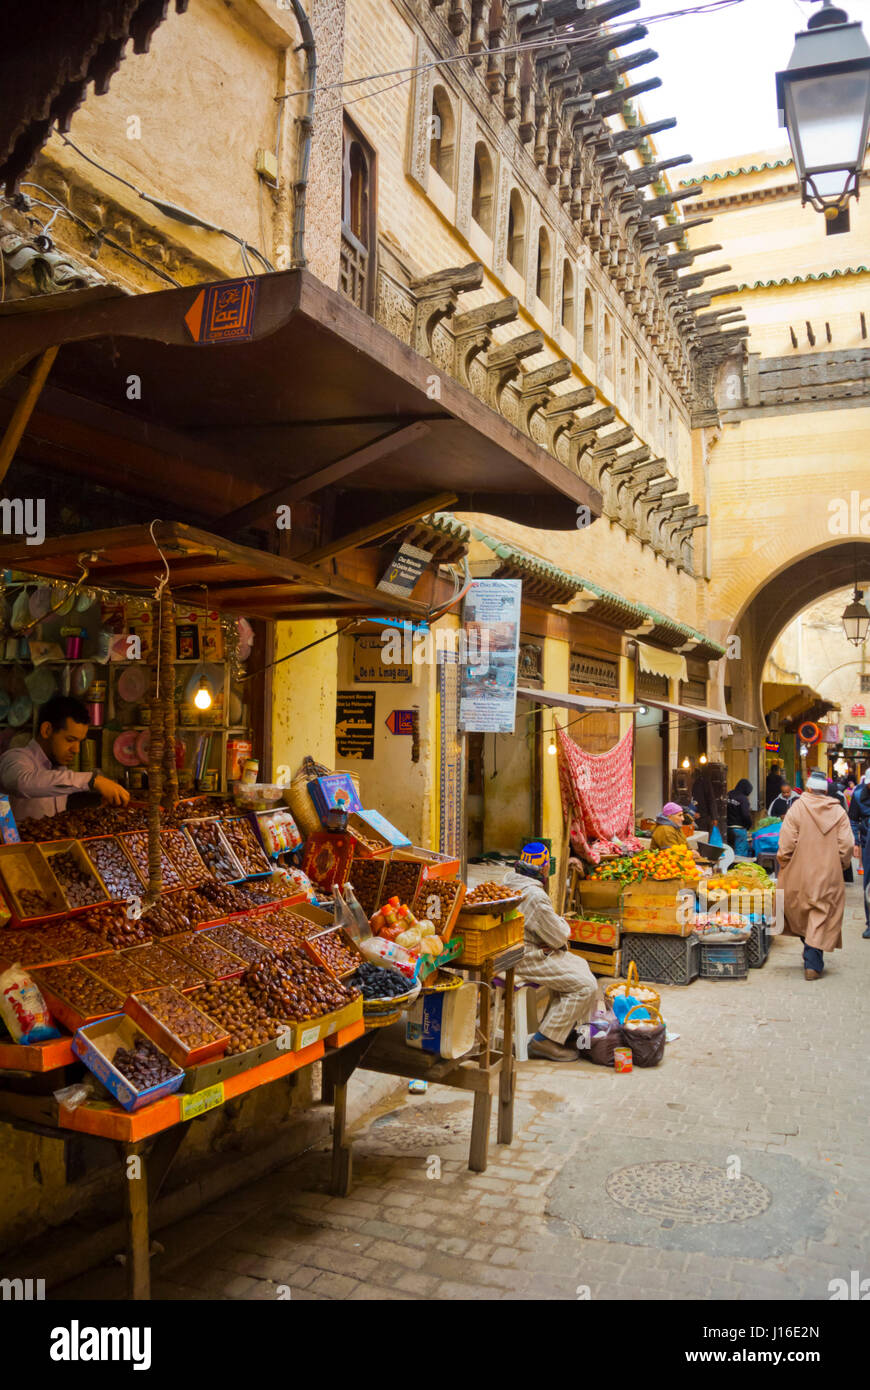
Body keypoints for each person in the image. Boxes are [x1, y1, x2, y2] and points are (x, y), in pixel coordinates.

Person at [502, 842, 598, 1063]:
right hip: (525, 957)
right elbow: (559, 936)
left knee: (579, 964)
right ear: (545, 868)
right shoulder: (534, 895)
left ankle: (560, 1030)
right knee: (586, 985)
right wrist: (561, 926)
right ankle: (545, 1040)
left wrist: (551, 934)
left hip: (516, 950)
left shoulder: (509, 880)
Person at [777, 767, 856, 980]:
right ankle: (813, 959)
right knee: (821, 912)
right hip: (829, 873)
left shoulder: (796, 809)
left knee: (801, 910)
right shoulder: (838, 812)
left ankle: (812, 959)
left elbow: (786, 843)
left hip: (798, 872)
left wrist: (784, 861)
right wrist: (840, 863)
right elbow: (847, 845)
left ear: (809, 788)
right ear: (826, 791)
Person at [0, 695, 129, 823]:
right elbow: (23, 783)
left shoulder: (59, 768)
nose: (76, 750)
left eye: (80, 742)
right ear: (47, 730)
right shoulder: (15, 758)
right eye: (70, 740)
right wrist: (92, 780)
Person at [848, 768, 870, 938]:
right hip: (867, 842)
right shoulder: (858, 795)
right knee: (868, 884)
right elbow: (853, 820)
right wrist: (855, 842)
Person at [726, 778, 753, 851]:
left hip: (727, 828)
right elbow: (745, 815)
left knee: (729, 851)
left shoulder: (729, 794)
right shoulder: (743, 799)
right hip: (738, 829)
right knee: (740, 854)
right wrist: (749, 825)